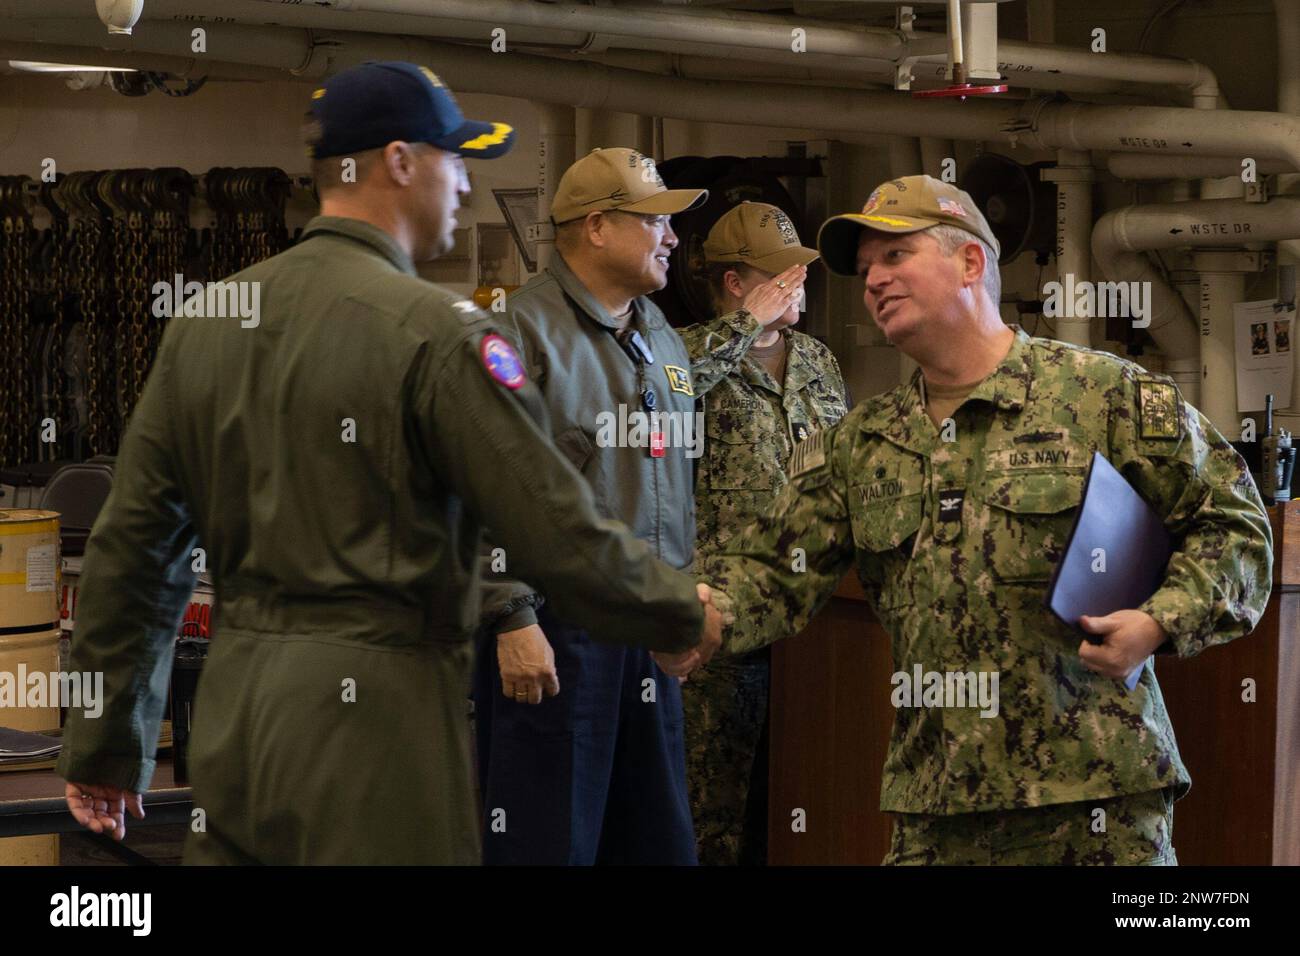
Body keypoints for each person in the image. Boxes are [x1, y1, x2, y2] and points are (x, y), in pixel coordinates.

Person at [55, 63, 721, 865]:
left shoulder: (208, 323)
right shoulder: (440, 334)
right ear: (401, 163)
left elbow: (132, 552)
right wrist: (681, 611)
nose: (467, 190)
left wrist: (105, 746)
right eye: (456, 161)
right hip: (380, 728)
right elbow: (554, 526)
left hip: (240, 727)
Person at [675, 175, 1273, 865]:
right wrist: (698, 616)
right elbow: (771, 572)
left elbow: (1235, 524)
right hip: (938, 808)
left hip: (1093, 797)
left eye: (895, 257)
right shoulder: (864, 441)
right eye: (866, 267)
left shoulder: (1099, 396)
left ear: (970, 263)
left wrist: (1160, 619)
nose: (872, 280)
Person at [474, 147, 711, 865]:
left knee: (656, 843)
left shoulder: (660, 333)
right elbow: (482, 478)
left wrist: (679, 608)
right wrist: (510, 613)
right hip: (556, 639)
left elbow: (672, 485)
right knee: (551, 843)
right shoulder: (516, 333)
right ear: (599, 227)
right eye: (655, 222)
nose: (672, 237)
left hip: (646, 629)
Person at [677, 201, 849, 865]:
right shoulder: (686, 353)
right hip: (719, 615)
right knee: (711, 809)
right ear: (734, 284)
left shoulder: (818, 362)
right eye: (780, 276)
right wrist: (743, 329)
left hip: (812, 619)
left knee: (797, 802)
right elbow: (653, 404)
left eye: (801, 271)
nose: (798, 284)